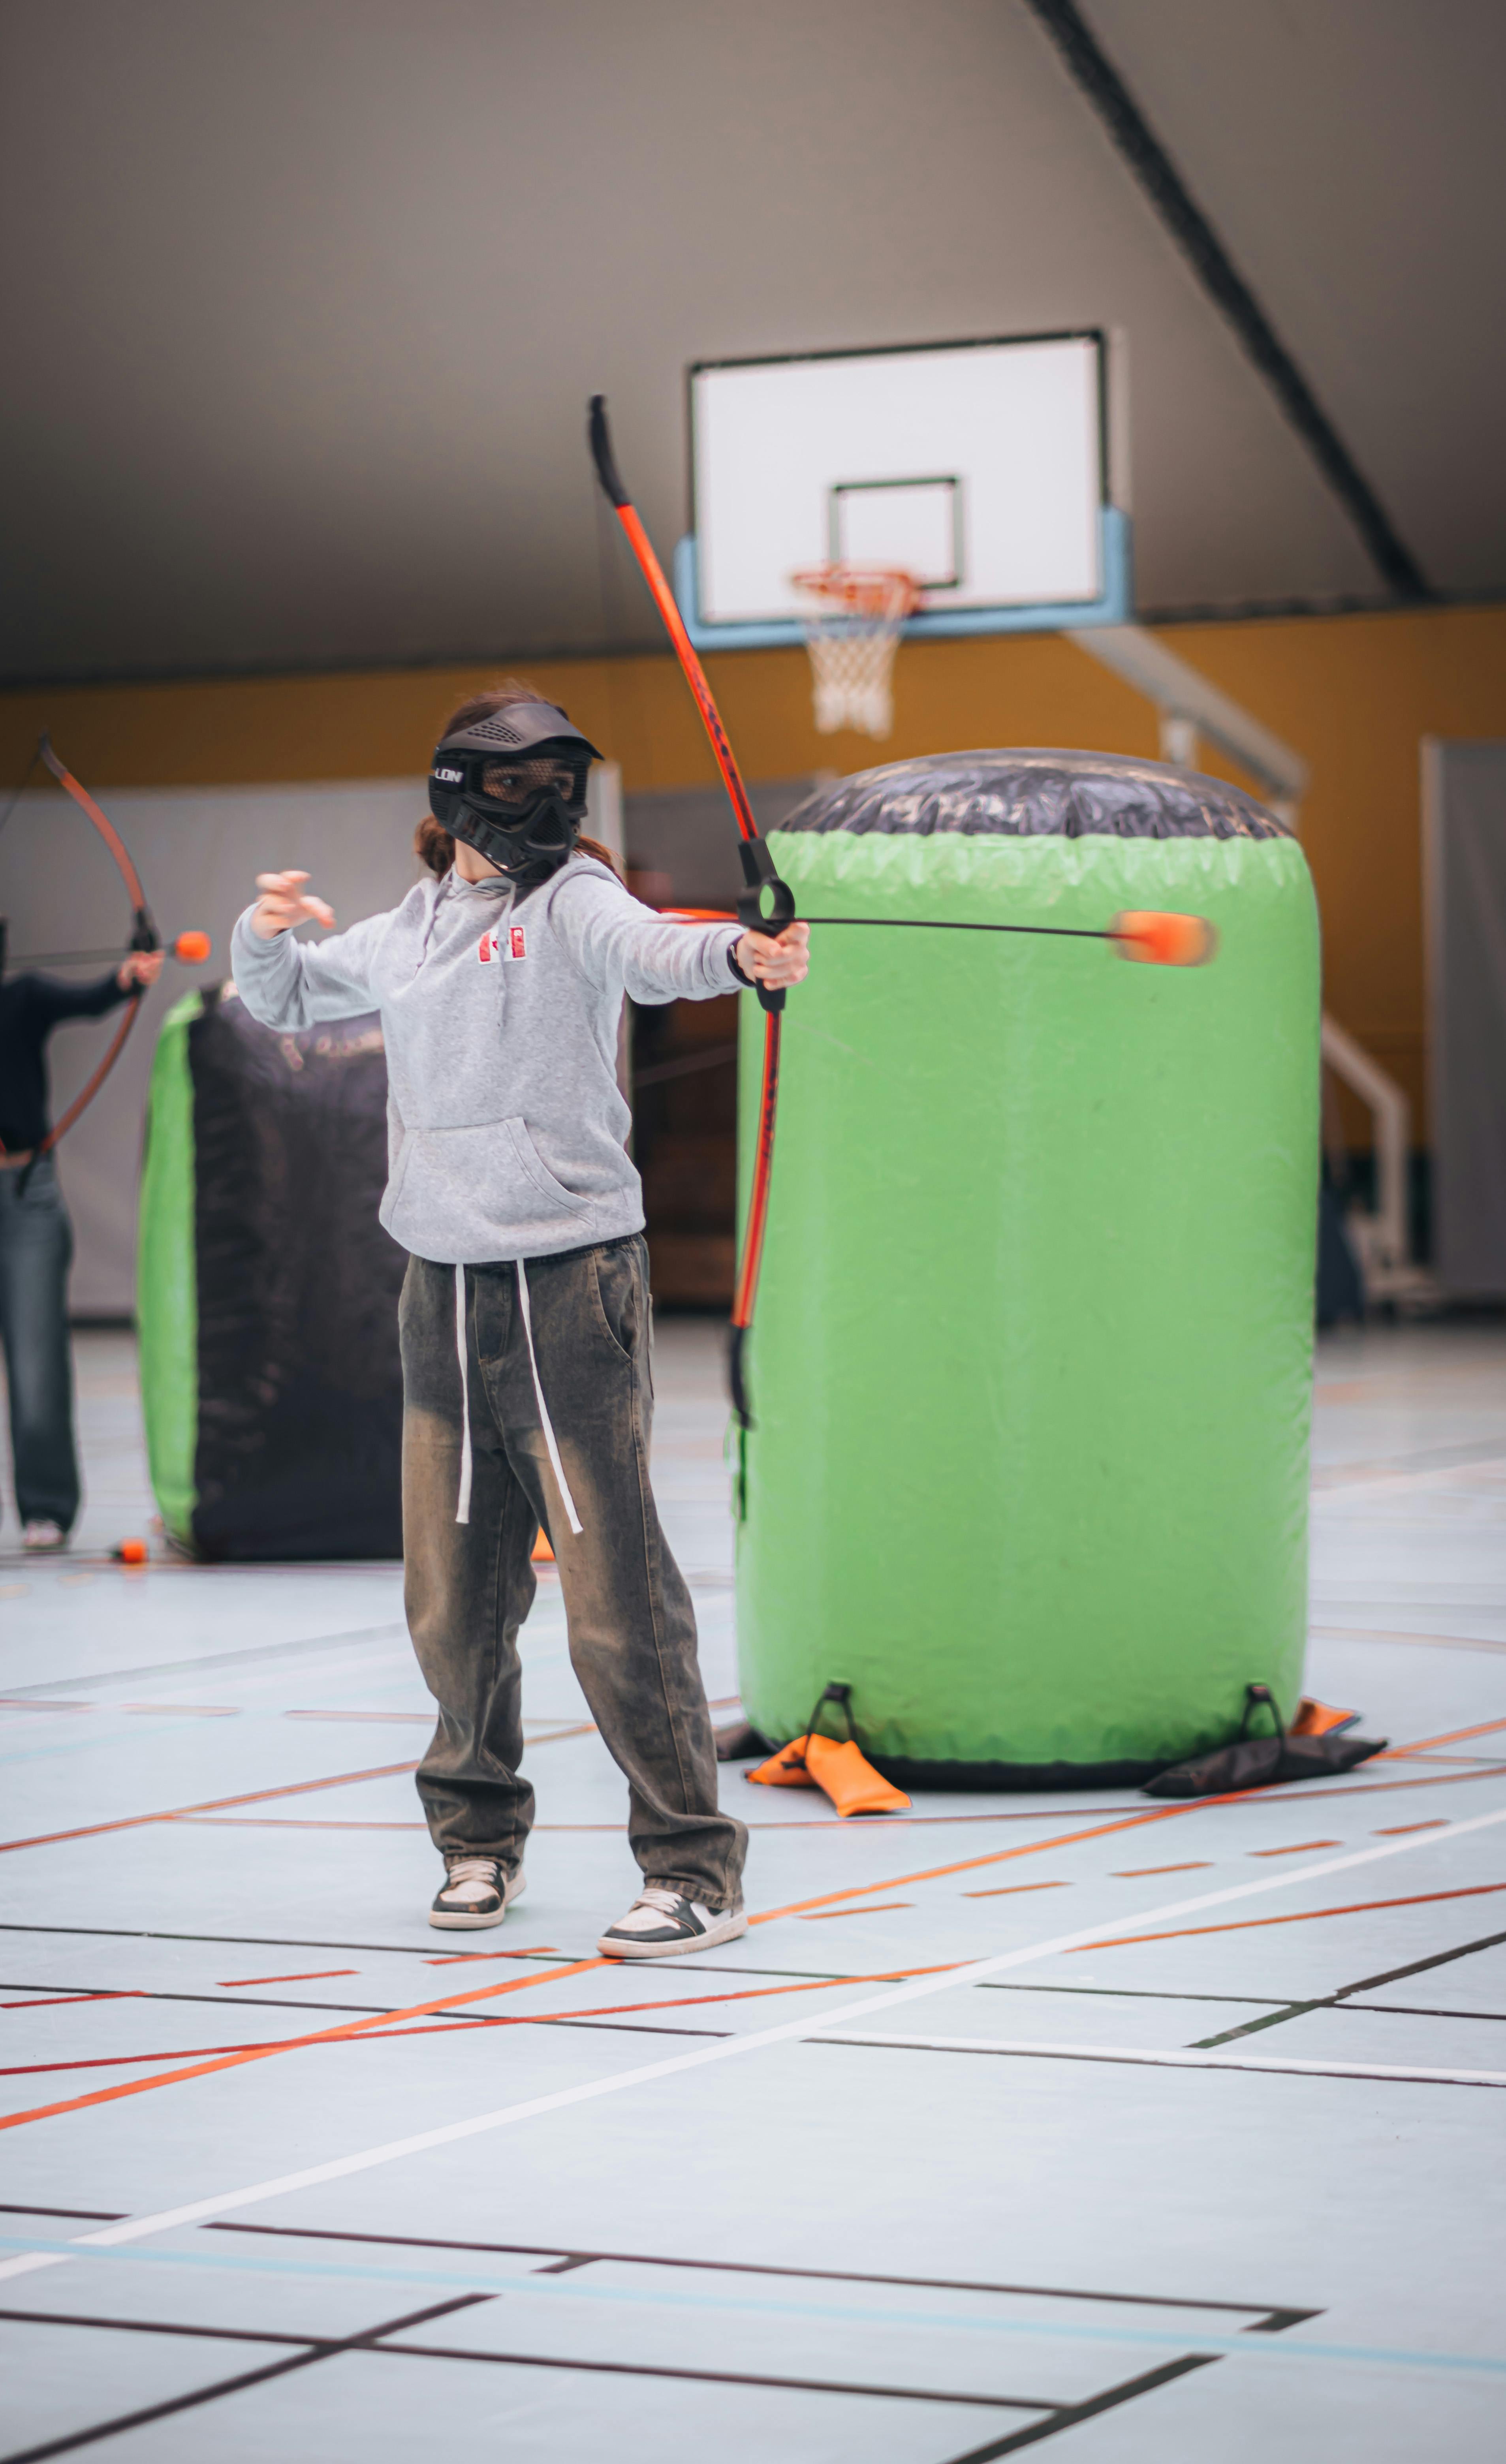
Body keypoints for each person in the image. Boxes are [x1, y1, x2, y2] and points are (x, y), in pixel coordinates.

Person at [231, 682, 808, 1959]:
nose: (544, 802)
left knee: (612, 1595)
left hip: (567, 1282)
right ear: (454, 794)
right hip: (436, 1288)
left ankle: (689, 1866)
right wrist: (265, 934)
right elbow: (287, 997)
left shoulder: (577, 902)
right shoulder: (409, 931)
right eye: (515, 781)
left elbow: (659, 953)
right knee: (451, 1598)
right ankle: (476, 1839)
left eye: (561, 780)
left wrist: (739, 951)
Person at [0, 945, 164, 1547]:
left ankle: (46, 1507)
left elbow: (94, 997)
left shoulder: (22, 999)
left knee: (36, 1362)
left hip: (24, 1194)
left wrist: (129, 975)